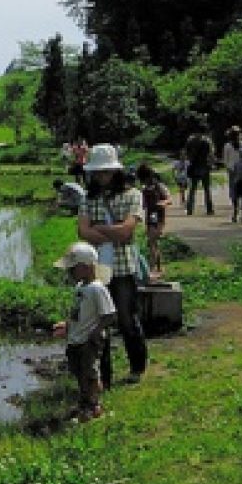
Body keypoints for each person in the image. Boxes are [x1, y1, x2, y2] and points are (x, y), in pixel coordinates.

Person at [76, 143, 148, 387]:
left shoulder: (132, 195)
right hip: (99, 270)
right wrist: (113, 231)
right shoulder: (89, 198)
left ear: (115, 172)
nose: (101, 176)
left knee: (127, 319)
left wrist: (100, 229)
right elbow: (83, 232)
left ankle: (137, 367)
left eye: (105, 172)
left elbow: (128, 231)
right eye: (97, 172)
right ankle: (103, 377)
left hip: (124, 267)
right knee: (99, 322)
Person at [51, 241, 116, 422]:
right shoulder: (80, 288)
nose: (70, 272)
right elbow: (78, 313)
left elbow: (109, 315)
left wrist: (96, 332)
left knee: (90, 373)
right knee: (79, 372)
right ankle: (84, 402)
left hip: (89, 340)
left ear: (87, 267)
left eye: (74, 268)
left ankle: (94, 406)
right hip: (76, 339)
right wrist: (66, 325)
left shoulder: (97, 289)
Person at [136, 162, 170, 276]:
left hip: (159, 217)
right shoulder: (144, 189)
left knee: (152, 242)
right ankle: (158, 267)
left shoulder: (159, 187)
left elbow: (169, 199)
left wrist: (162, 203)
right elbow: (143, 205)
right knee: (153, 243)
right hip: (150, 217)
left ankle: (151, 269)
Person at [184, 123, 215, 216]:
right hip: (204, 166)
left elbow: (187, 153)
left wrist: (190, 161)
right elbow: (211, 154)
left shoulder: (190, 140)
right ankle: (209, 209)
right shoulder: (207, 141)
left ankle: (190, 209)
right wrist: (211, 164)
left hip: (194, 166)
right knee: (207, 189)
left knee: (192, 189)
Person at [222, 125, 242, 211]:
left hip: (232, 170)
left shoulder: (227, 146)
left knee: (233, 188)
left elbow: (225, 160)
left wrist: (228, 167)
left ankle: (235, 205)